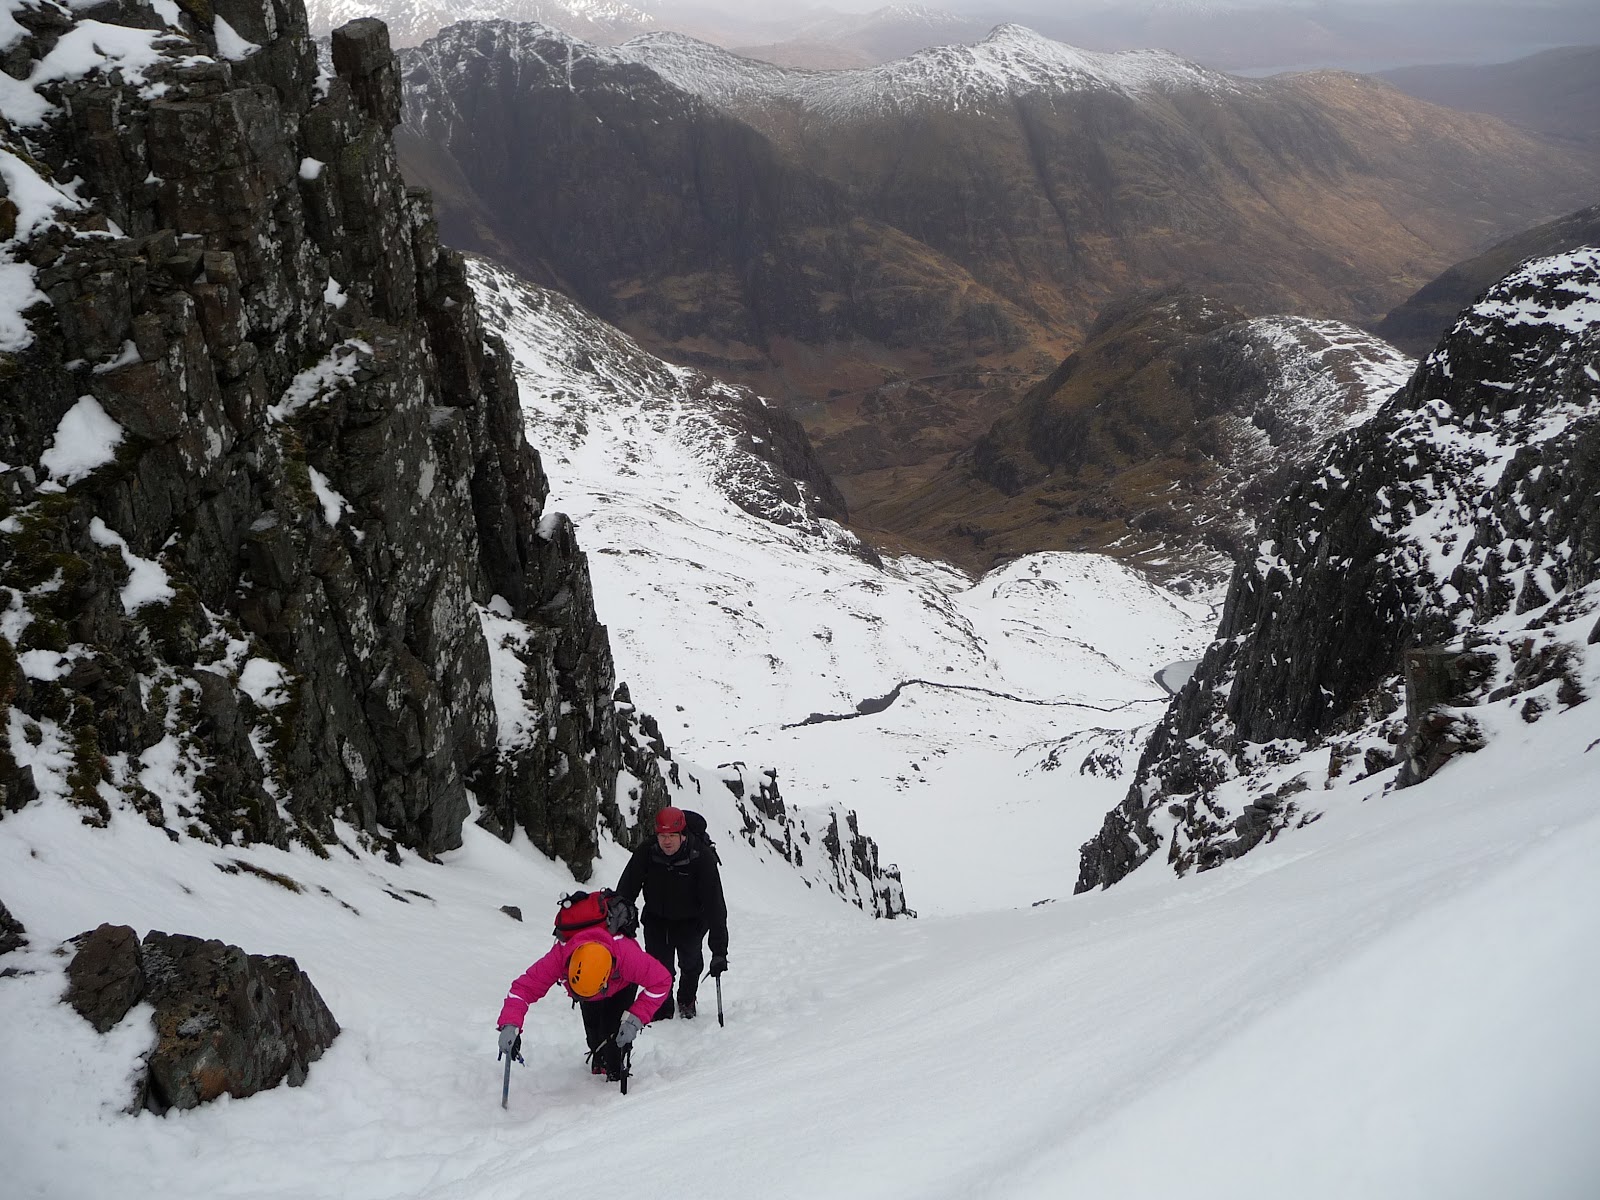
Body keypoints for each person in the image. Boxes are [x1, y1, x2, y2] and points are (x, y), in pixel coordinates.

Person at [495, 912, 671, 1080]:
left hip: (621, 986)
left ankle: (615, 1072)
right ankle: (598, 1056)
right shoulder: (559, 957)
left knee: (614, 1033)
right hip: (587, 990)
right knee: (593, 1031)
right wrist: (510, 1024)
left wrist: (635, 1019)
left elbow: (661, 981)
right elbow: (523, 989)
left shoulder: (627, 956)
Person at [615, 806, 728, 1021]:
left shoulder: (701, 857)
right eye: (662, 836)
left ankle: (686, 999)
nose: (666, 842)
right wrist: (619, 922)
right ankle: (662, 1006)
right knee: (658, 969)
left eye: (672, 836)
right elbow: (626, 889)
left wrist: (719, 951)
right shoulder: (647, 852)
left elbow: (715, 906)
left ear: (683, 835)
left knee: (691, 965)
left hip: (692, 922)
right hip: (657, 921)